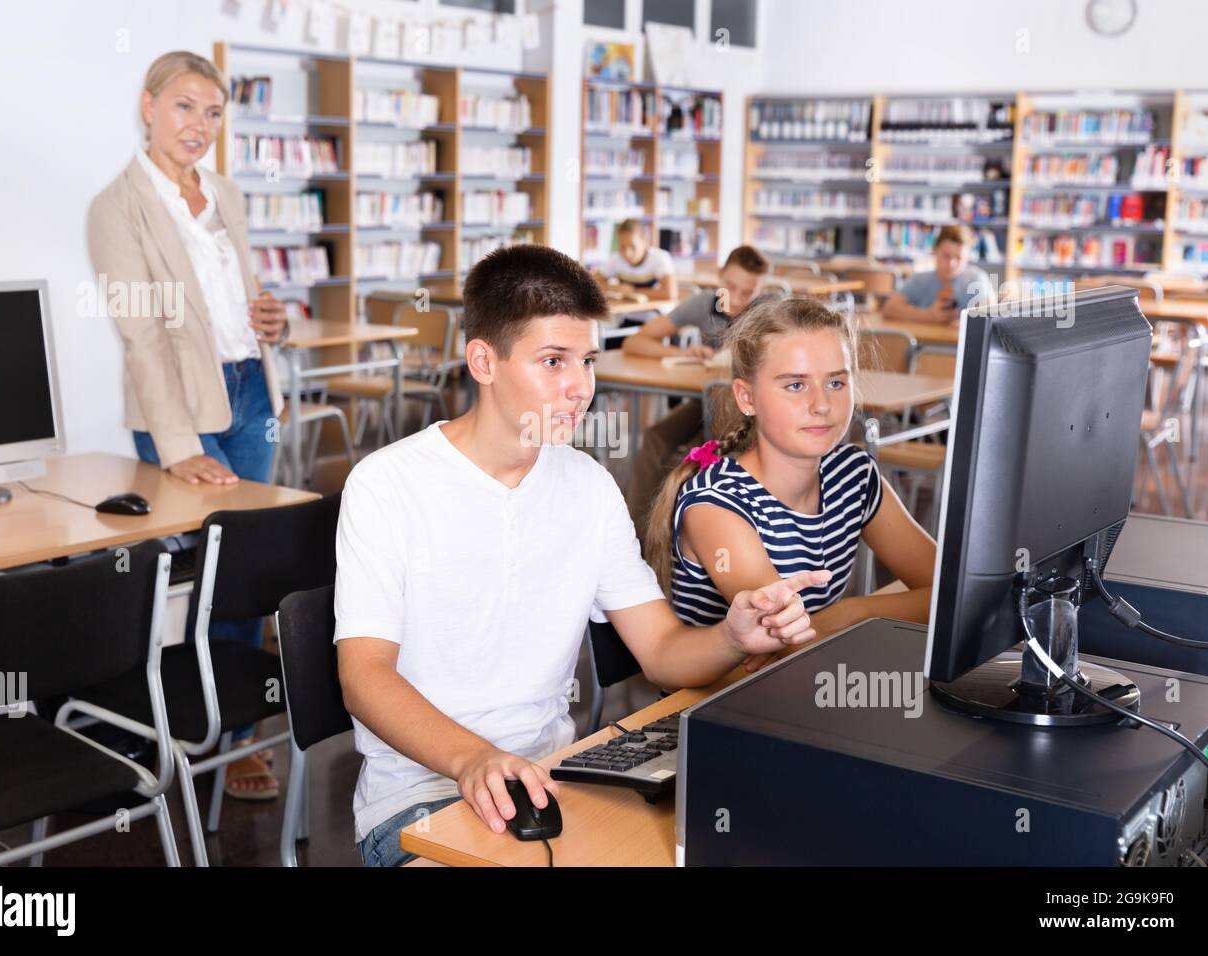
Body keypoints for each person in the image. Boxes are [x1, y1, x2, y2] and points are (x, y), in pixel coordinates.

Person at [334, 245, 830, 867]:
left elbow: (663, 652)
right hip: (418, 800)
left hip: (556, 780)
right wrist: (473, 759)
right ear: (483, 361)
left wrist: (735, 636)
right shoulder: (386, 485)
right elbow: (364, 677)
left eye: (588, 360)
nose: (580, 387)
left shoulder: (588, 484)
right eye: (553, 361)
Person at [87, 50, 289, 799]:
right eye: (184, 106)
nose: (199, 125)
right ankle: (171, 725)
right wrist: (177, 451)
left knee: (245, 571)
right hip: (180, 410)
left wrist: (274, 321)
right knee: (200, 568)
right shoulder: (117, 208)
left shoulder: (226, 194)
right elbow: (140, 335)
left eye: (212, 112)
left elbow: (245, 299)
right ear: (148, 106)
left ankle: (229, 739)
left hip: (249, 395)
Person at [644, 294, 935, 674]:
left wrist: (854, 612)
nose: (821, 404)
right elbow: (788, 641)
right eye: (795, 386)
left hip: (805, 683)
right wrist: (827, 627)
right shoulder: (716, 504)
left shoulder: (854, 475)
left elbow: (952, 596)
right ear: (746, 397)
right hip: (717, 705)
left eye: (835, 382)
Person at [623, 245, 770, 539]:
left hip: (760, 411)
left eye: (748, 292)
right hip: (708, 403)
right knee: (655, 438)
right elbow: (635, 342)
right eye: (730, 286)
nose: (737, 299)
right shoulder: (704, 304)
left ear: (762, 290)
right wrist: (684, 352)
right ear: (719, 277)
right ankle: (636, 539)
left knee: (734, 448)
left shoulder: (769, 310)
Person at [881, 224, 993, 325]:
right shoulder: (920, 279)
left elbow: (991, 318)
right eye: (946, 256)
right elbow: (888, 309)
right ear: (935, 250)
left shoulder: (977, 279)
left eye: (958, 258)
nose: (951, 264)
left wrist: (965, 324)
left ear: (967, 257)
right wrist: (928, 315)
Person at [594, 218, 678, 303]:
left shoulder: (660, 258)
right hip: (624, 312)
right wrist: (614, 288)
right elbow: (591, 284)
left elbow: (670, 293)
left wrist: (633, 291)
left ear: (644, 242)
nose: (627, 253)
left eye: (633, 247)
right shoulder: (616, 259)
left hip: (654, 312)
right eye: (622, 247)